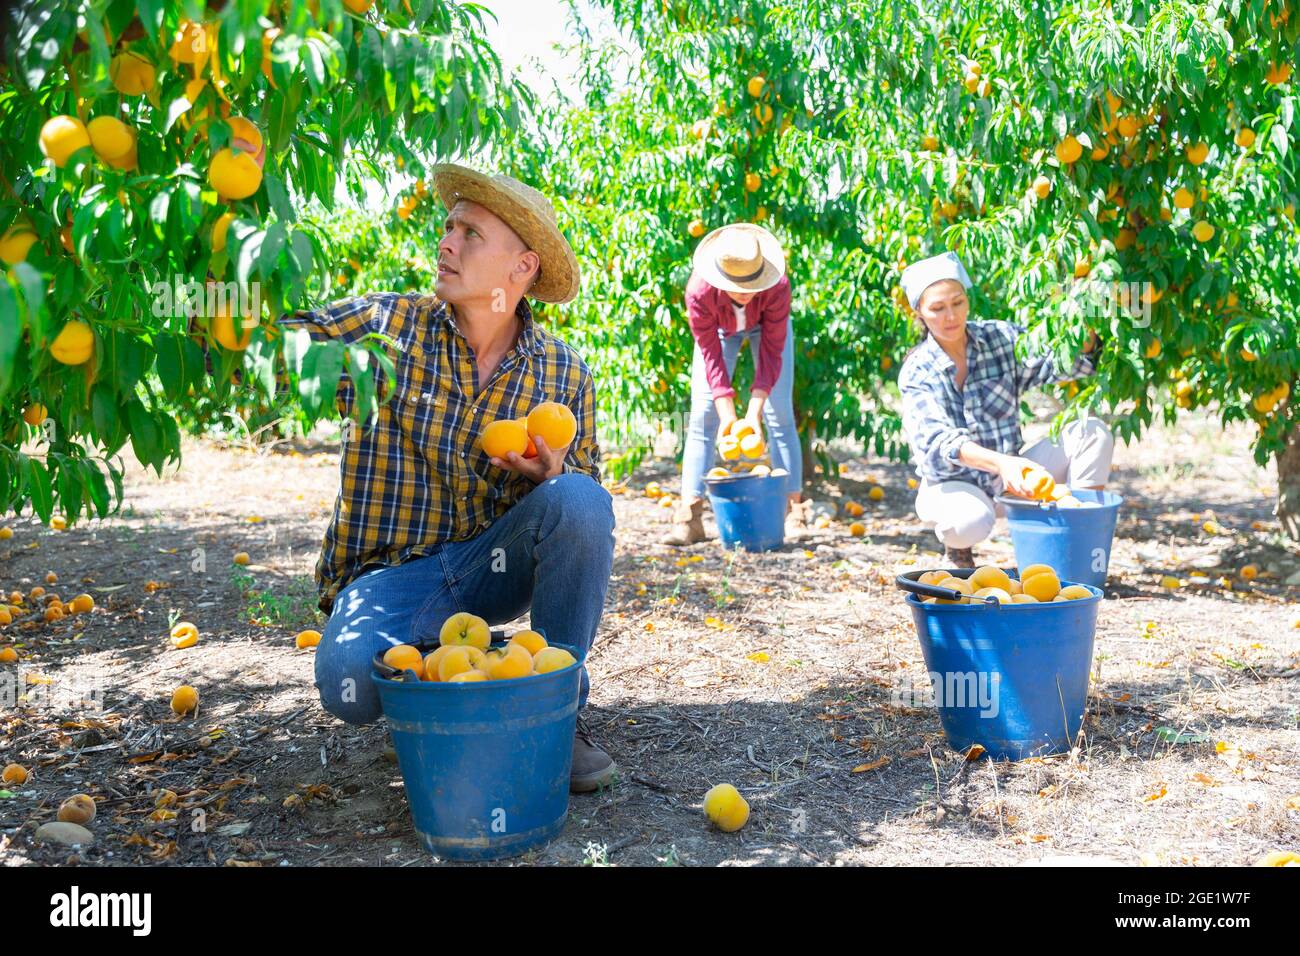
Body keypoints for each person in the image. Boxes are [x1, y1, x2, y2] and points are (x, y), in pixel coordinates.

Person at [278, 166, 617, 793]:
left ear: (522, 269)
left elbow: (588, 502)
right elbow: (269, 349)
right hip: (393, 577)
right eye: (448, 228)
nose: (446, 244)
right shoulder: (384, 329)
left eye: (470, 234)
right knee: (350, 685)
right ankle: (474, 664)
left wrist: (554, 472)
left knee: (579, 499)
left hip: (491, 568)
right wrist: (213, 288)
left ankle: (555, 711)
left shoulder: (563, 374)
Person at [897, 251, 1112, 568]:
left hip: (1012, 480)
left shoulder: (998, 338)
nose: (951, 316)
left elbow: (1067, 363)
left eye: (957, 302)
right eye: (938, 308)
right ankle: (959, 550)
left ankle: (1075, 534)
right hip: (954, 485)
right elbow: (941, 442)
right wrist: (1004, 464)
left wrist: (1083, 307)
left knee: (1092, 433)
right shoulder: (918, 372)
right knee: (965, 524)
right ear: (919, 312)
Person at [663, 223, 805, 546]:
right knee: (702, 415)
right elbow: (711, 356)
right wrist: (730, 418)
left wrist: (752, 415)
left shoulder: (777, 287)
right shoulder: (699, 292)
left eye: (751, 283)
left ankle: (794, 509)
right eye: (736, 284)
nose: (744, 290)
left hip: (764, 328)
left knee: (778, 414)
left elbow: (771, 352)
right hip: (721, 330)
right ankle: (690, 513)